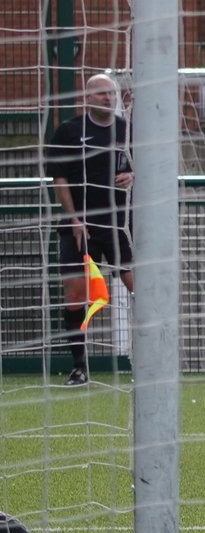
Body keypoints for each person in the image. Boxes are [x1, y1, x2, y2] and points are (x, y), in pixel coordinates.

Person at [45, 73, 133, 387]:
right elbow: (59, 179)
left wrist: (133, 175)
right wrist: (74, 219)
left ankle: (154, 357)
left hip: (120, 223)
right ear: (87, 98)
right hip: (79, 225)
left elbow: (147, 167)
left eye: (111, 94)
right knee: (74, 294)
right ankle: (80, 367)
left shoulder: (130, 131)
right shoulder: (69, 131)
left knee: (139, 284)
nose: (107, 99)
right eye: (99, 94)